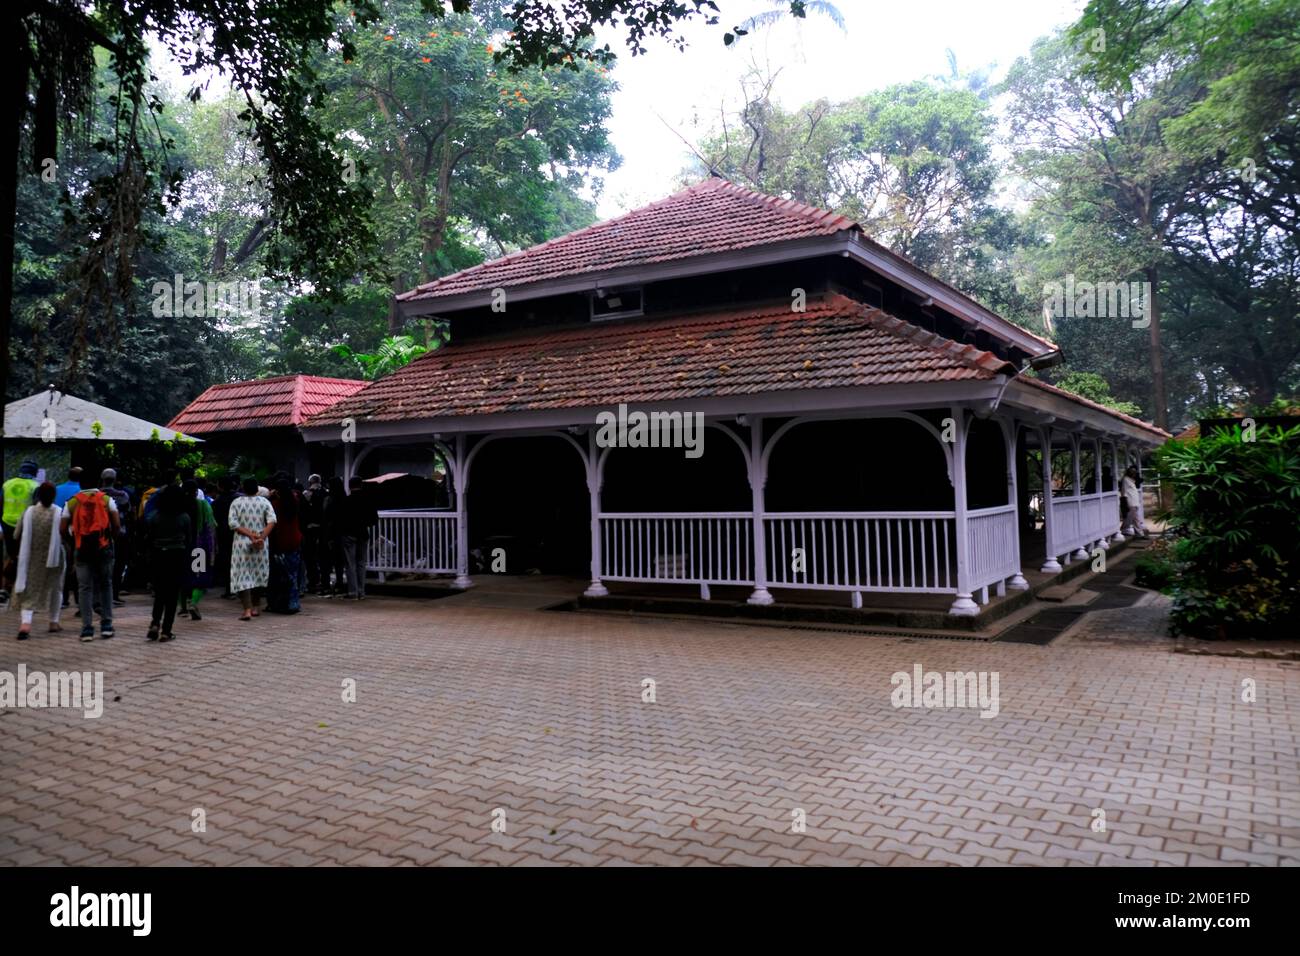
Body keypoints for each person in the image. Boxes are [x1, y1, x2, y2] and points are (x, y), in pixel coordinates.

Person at [60, 471, 122, 642]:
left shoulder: (72, 502)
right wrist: (110, 540)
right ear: (98, 482)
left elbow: (63, 528)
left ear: (81, 484)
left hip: (82, 548)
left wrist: (73, 542)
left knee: (84, 588)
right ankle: (107, 625)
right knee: (105, 585)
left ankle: (87, 628)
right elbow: (116, 524)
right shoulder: (106, 500)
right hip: (104, 547)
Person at [13, 482, 65, 639]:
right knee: (56, 589)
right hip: (55, 558)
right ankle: (54, 622)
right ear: (54, 496)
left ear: (38, 496)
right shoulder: (59, 512)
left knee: (29, 590)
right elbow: (66, 534)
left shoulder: (28, 512)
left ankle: (25, 624)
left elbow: (16, 534)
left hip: (31, 558)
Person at [144, 484, 191, 642]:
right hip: (177, 555)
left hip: (158, 555)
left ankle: (155, 623)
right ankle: (166, 630)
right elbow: (189, 540)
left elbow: (148, 537)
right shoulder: (184, 517)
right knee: (172, 595)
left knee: (160, 593)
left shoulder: (155, 516)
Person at [228, 477, 277, 621]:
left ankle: (247, 610)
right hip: (261, 545)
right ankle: (256, 607)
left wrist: (251, 536)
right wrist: (261, 537)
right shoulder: (265, 502)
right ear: (257, 489)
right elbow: (272, 521)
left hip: (241, 545)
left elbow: (233, 524)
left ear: (243, 489)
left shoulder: (236, 503)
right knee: (258, 574)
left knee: (242, 576)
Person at [2, 460, 40, 602]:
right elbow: (36, 507)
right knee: (25, 556)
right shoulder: (35, 486)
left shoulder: (7, 483)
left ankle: (5, 588)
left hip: (7, 523)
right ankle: (22, 589)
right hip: (25, 525)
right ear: (34, 473)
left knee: (10, 555)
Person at [181, 478, 217, 621]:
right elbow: (211, 526)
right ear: (197, 492)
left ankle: (182, 607)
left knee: (183, 577)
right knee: (200, 577)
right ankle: (193, 603)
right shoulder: (203, 505)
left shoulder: (178, 506)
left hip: (182, 547)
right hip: (199, 547)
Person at [266, 479, 303, 613]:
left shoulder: (274, 504)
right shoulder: (294, 502)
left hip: (280, 542)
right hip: (294, 540)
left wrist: (271, 496)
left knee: (279, 575)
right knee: (292, 574)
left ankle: (279, 603)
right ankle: (293, 602)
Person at [338, 476, 377, 600]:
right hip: (362, 533)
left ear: (349, 486)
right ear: (361, 485)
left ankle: (353, 592)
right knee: (361, 563)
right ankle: (361, 591)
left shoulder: (345, 501)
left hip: (349, 534)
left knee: (350, 564)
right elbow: (374, 519)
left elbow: (340, 519)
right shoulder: (368, 500)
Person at [100, 469, 131, 606]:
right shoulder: (123, 495)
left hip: (101, 533)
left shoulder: (98, 494)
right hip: (120, 533)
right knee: (119, 564)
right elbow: (128, 510)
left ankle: (102, 595)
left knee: (102, 564)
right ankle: (114, 594)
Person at [212, 474, 239, 598]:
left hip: (224, 534)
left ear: (221, 486)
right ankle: (240, 589)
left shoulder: (217, 502)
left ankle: (230, 589)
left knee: (227, 562)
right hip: (240, 533)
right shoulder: (239, 498)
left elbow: (214, 520)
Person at [321, 477, 348, 597]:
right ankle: (340, 584)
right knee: (339, 562)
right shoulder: (345, 499)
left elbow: (326, 517)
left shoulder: (329, 500)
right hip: (343, 533)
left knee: (326, 561)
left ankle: (326, 585)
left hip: (330, 533)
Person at [301, 474, 325, 595]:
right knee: (322, 556)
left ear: (310, 482)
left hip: (310, 528)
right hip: (323, 529)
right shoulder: (326, 492)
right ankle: (322, 581)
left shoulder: (306, 494)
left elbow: (304, 511)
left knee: (310, 556)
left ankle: (313, 581)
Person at [1120, 465, 1145, 538]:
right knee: (1135, 518)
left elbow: (1139, 481)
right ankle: (1140, 534)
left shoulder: (1133, 480)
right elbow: (1124, 492)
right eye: (1132, 472)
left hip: (1135, 501)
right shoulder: (1125, 480)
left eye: (1134, 472)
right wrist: (1125, 502)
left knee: (1129, 518)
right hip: (1130, 502)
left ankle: (1123, 529)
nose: (1133, 473)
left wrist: (1137, 476)